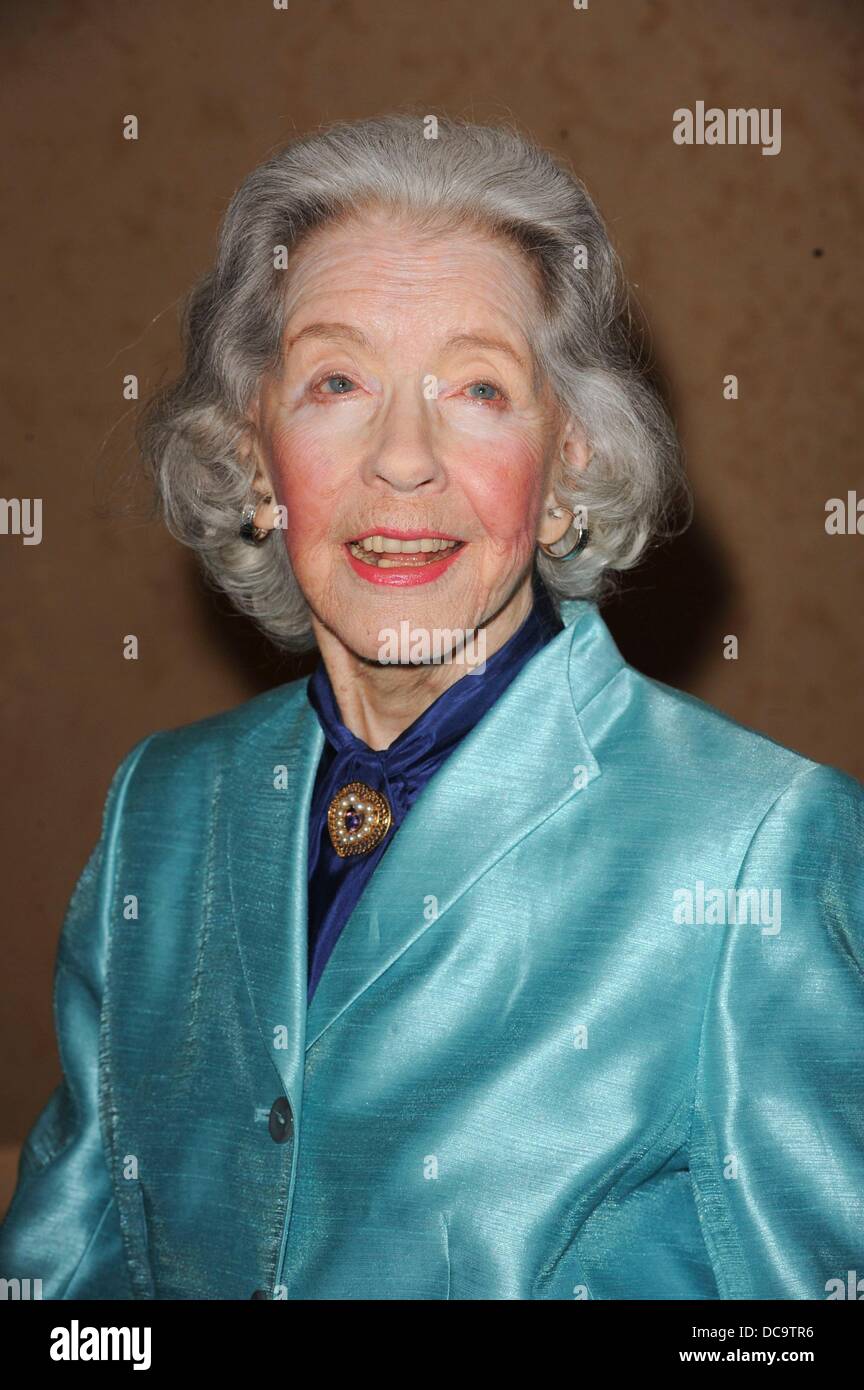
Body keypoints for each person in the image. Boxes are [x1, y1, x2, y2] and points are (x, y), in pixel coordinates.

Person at [1, 113, 861, 1301]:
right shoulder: (163, 806)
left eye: (477, 387)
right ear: (255, 461)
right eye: (338, 379)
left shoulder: (756, 841)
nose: (402, 456)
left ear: (569, 464)